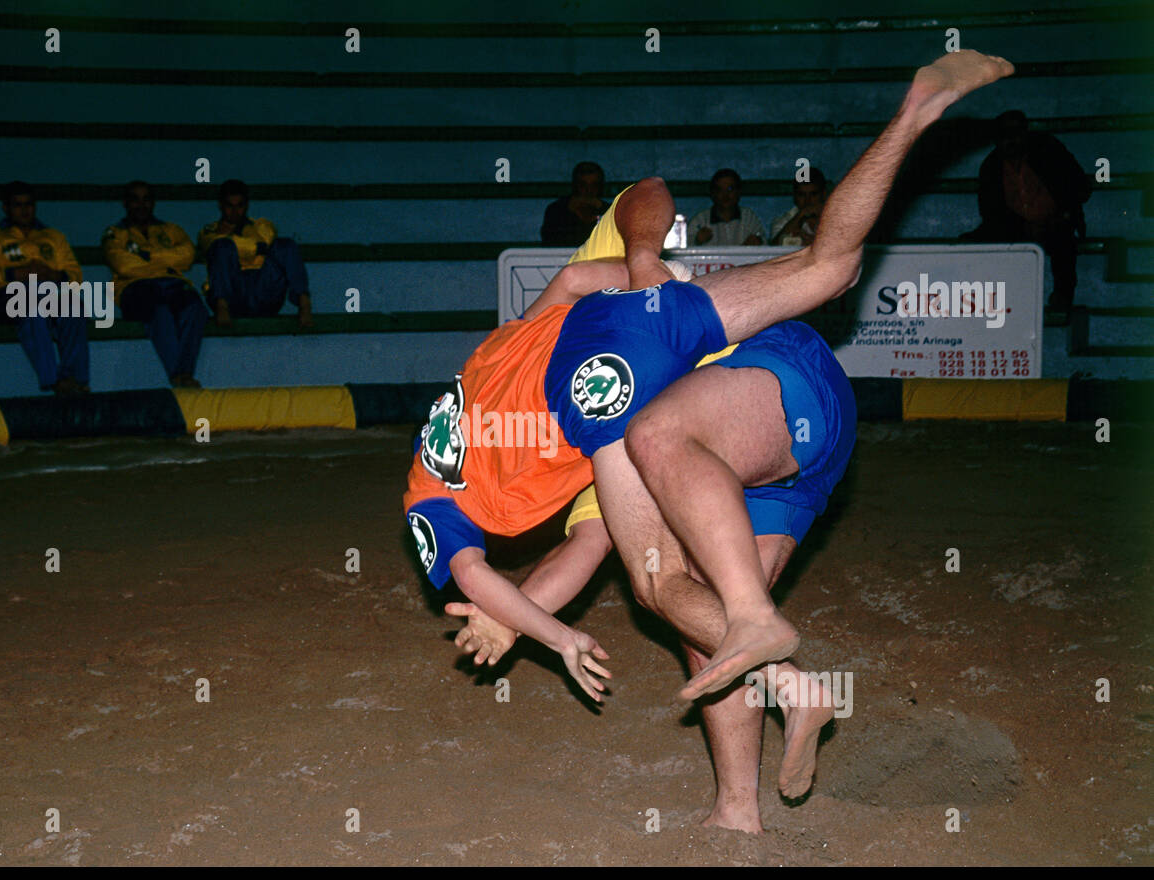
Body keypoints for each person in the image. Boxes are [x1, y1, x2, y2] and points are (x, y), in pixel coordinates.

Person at [404, 49, 1013, 720]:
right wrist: (648, 283)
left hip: (601, 407)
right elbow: (581, 282)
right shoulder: (488, 356)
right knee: (827, 266)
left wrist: (550, 634)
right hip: (619, 330)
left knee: (659, 580)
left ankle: (784, 675)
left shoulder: (428, 502)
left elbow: (483, 571)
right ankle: (913, 113)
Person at [449, 314, 855, 829]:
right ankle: (737, 813)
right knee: (705, 616)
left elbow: (622, 263)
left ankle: (793, 686)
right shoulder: (584, 440)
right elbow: (584, 544)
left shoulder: (593, 402)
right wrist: (509, 618)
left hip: (770, 380)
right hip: (793, 440)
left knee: (659, 579)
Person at [962, 110, 1092, 311]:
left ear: (1026, 133)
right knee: (970, 242)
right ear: (997, 139)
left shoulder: (1049, 150)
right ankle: (993, 302)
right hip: (1016, 226)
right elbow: (989, 211)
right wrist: (1022, 225)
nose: (1011, 140)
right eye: (1005, 135)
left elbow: (1080, 186)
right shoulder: (991, 166)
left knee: (1063, 242)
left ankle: (1062, 296)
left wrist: (1061, 214)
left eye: (1016, 133)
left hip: (1055, 221)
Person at [0, 182, 88, 395]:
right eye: (17, 205)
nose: (24, 210)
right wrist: (13, 274)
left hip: (51, 292)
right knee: (29, 304)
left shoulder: (53, 237)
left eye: (29, 204)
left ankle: (76, 378)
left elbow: (75, 274)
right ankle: (54, 379)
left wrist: (54, 274)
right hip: (10, 294)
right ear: (5, 208)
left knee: (73, 306)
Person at [103, 181, 207, 389]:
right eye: (135, 199)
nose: (141, 205)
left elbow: (187, 257)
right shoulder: (115, 233)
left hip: (173, 285)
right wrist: (166, 261)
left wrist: (146, 257)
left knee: (195, 308)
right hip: (135, 288)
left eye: (146, 199)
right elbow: (123, 265)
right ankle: (179, 375)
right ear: (126, 203)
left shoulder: (171, 230)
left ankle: (184, 372)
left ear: (153, 202)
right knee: (159, 309)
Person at [197, 179, 312, 329]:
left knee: (285, 245)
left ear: (247, 205)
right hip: (234, 296)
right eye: (229, 206)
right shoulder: (209, 231)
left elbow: (267, 239)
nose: (234, 211)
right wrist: (254, 248)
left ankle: (304, 303)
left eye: (240, 206)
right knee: (222, 247)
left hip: (264, 292)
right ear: (221, 205)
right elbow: (212, 245)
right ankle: (222, 307)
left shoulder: (261, 225)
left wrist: (236, 236)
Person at [688, 168, 765, 246]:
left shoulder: (749, 218)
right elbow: (682, 250)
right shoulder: (700, 220)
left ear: (739, 192)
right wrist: (697, 241)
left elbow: (764, 245)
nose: (725, 195)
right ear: (713, 193)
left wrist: (757, 243)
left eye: (730, 189)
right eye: (719, 190)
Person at [540, 161, 609, 246]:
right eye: (583, 185)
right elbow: (550, 243)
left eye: (594, 185)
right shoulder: (556, 211)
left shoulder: (609, 211)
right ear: (575, 186)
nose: (588, 190)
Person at [769, 166, 828, 247]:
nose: (808, 200)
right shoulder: (783, 222)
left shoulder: (838, 219)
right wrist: (800, 216)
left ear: (823, 194)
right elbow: (772, 250)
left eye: (813, 194)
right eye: (802, 195)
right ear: (795, 196)